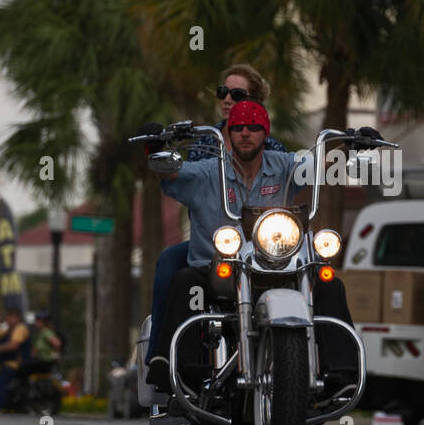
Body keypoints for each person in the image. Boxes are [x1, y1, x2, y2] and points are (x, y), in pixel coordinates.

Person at [144, 99, 356, 393]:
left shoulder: (284, 166)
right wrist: (156, 149)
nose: (246, 133)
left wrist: (350, 148)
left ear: (265, 134)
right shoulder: (207, 171)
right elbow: (171, 173)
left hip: (275, 268)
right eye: (239, 127)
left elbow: (322, 165)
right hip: (218, 271)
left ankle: (342, 375)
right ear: (229, 134)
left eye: (254, 127)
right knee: (186, 282)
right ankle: (178, 369)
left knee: (329, 284)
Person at [147, 64, 287, 361]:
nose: (226, 99)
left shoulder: (274, 152)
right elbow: (186, 180)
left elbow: (307, 170)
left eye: (237, 94)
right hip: (215, 239)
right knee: (173, 265)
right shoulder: (204, 142)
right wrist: (155, 149)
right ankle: (161, 354)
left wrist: (345, 153)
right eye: (223, 92)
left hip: (265, 247)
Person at [0, 306, 32, 413]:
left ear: (16, 318)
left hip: (15, 363)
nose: (7, 320)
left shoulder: (20, 328)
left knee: (2, 379)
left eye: (9, 318)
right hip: (6, 360)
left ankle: (1, 405)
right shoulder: (10, 328)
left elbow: (14, 345)